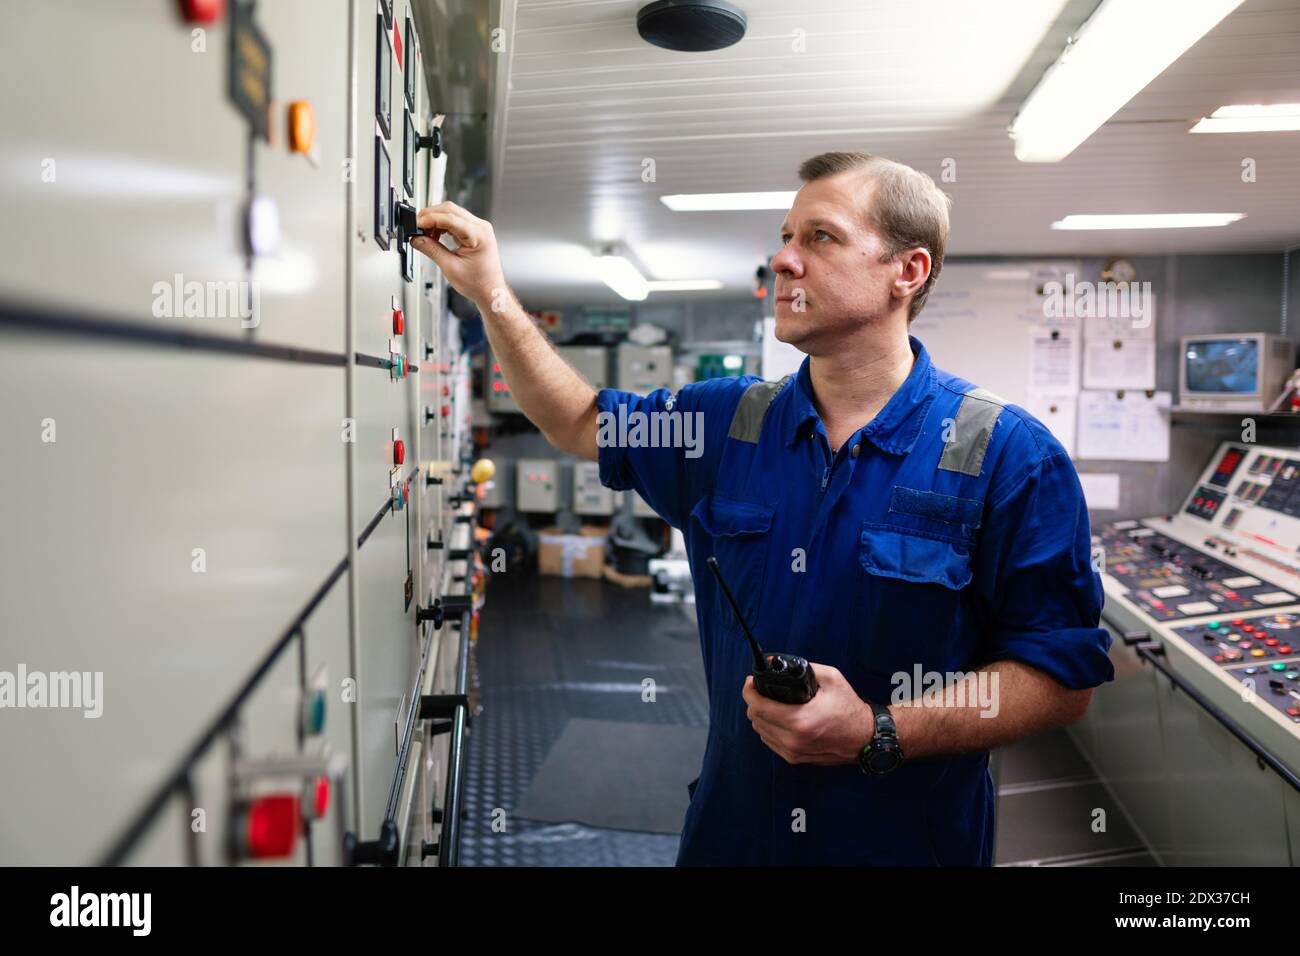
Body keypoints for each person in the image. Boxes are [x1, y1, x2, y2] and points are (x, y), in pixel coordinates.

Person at [411, 150, 1114, 866]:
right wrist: (491, 292)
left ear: (908, 271)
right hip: (733, 836)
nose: (782, 260)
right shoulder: (724, 423)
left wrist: (881, 729)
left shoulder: (1010, 455)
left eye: (821, 237)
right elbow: (578, 421)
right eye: (785, 236)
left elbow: (1058, 680)